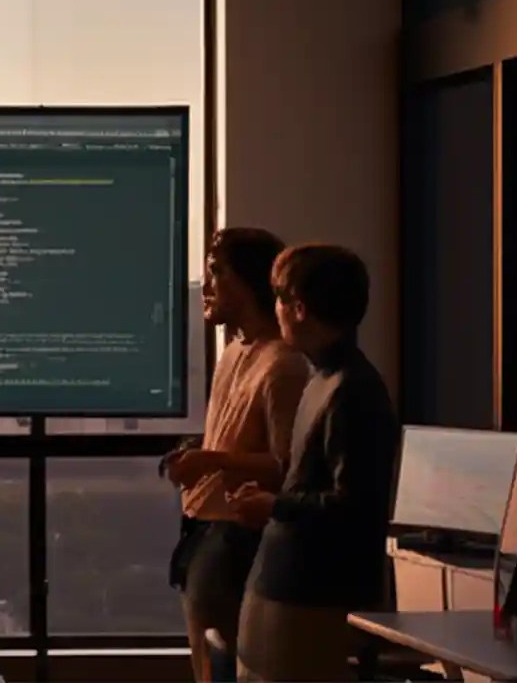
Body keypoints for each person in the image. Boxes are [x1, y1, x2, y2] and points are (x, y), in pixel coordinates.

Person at [228, 244, 399, 682]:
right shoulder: (323, 377)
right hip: (286, 586)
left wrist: (275, 506)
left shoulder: (353, 391)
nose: (276, 311)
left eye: (280, 299)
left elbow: (355, 506)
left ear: (299, 308)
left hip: (314, 596)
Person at [162, 228, 310, 682]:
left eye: (216, 273)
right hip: (201, 531)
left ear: (247, 282)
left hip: (237, 540)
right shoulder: (231, 353)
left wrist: (213, 463)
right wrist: (201, 453)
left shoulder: (284, 364)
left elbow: (288, 468)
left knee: (229, 668)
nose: (206, 287)